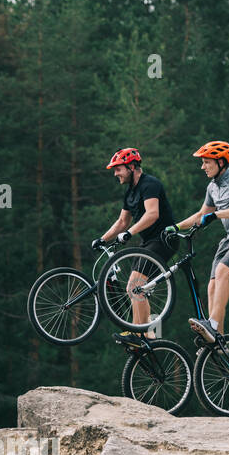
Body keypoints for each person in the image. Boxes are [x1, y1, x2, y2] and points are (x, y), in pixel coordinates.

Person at [171, 141, 229, 342]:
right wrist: (176, 227)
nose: (203, 167)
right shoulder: (212, 187)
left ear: (221, 162)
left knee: (223, 271)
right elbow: (200, 215)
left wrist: (216, 215)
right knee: (213, 283)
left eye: (207, 162)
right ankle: (218, 339)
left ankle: (212, 323)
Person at [91, 147, 175, 345]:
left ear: (131, 166)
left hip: (163, 240)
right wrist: (103, 239)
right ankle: (142, 333)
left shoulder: (150, 184)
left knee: (135, 285)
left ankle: (142, 333)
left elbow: (152, 214)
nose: (115, 174)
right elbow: (122, 221)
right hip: (147, 243)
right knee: (135, 287)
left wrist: (129, 233)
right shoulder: (130, 192)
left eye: (118, 169)